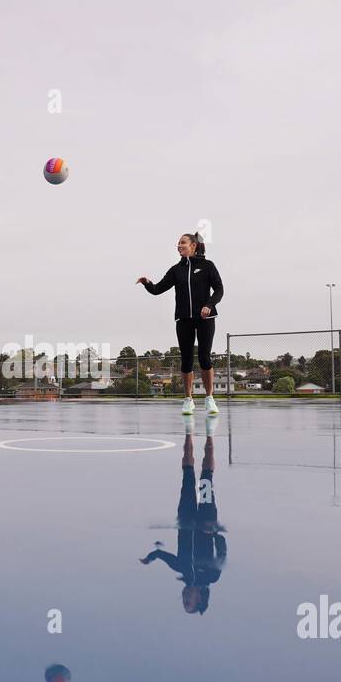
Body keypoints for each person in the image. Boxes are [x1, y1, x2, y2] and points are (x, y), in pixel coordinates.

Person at [140, 418, 227, 614]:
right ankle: (209, 436)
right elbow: (222, 553)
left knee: (187, 477)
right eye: (189, 602)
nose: (185, 598)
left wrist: (150, 557)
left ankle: (188, 434)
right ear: (199, 600)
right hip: (206, 517)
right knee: (206, 478)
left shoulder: (181, 569)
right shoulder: (212, 577)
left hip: (186, 516)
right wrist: (215, 533)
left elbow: (162, 555)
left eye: (183, 602)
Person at [136, 232, 224, 415]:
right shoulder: (176, 270)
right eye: (178, 244)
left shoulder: (207, 266)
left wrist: (209, 305)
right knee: (186, 360)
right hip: (183, 319)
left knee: (204, 358)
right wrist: (147, 283)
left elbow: (219, 290)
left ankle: (209, 398)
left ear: (193, 245)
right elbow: (158, 289)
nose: (179, 246)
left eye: (183, 243)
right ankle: (188, 399)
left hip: (205, 319)